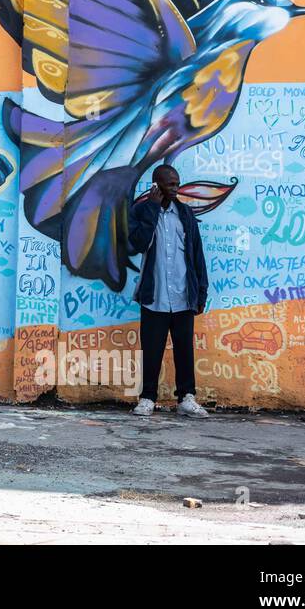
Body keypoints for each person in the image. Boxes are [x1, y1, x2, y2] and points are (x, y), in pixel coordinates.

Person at [127, 163, 210, 418]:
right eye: (170, 184)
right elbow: (137, 243)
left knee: (185, 349)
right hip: (155, 296)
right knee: (151, 350)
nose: (176, 188)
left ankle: (186, 397)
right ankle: (147, 398)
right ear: (156, 185)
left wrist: (201, 292)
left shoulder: (185, 214)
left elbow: (197, 254)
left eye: (177, 183)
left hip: (184, 294)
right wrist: (152, 207)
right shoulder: (141, 211)